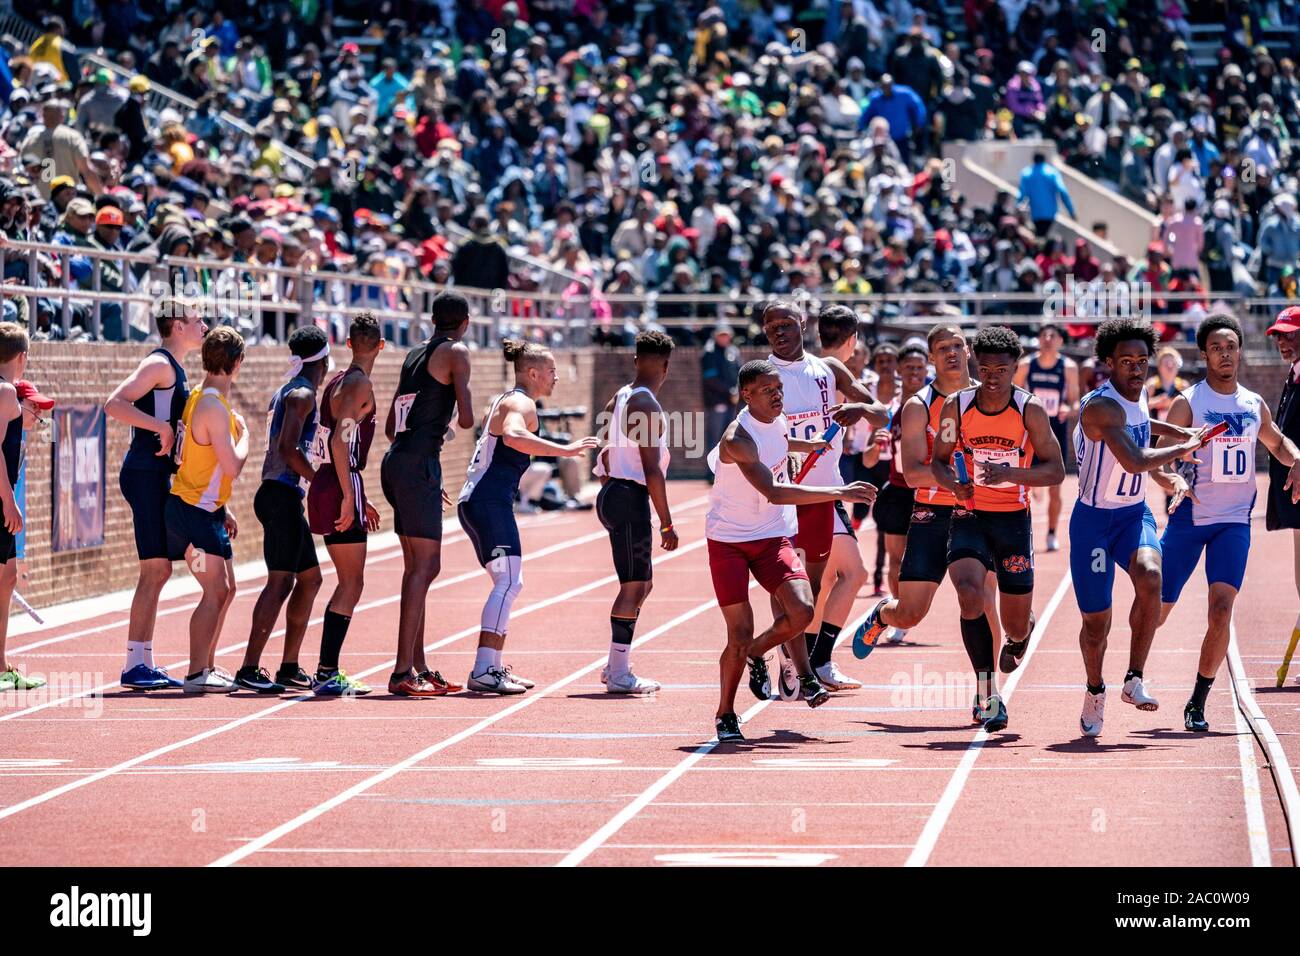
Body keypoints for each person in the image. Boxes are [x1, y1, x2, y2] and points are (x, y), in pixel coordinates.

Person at [708, 360, 877, 741]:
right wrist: (839, 491)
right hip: (729, 541)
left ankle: (756, 652)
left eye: (779, 389)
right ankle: (726, 713)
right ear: (746, 395)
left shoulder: (778, 420)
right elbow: (774, 491)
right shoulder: (737, 439)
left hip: (770, 535)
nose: (777, 395)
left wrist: (812, 444)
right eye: (767, 390)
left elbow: (782, 440)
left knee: (802, 609)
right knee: (738, 631)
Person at [1155, 314, 1300, 730]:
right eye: (1216, 348)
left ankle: (1198, 701)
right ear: (1204, 354)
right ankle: (1133, 673)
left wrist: (1298, 457)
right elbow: (1157, 457)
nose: (1225, 354)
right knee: (1158, 610)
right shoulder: (1189, 401)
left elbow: (1278, 442)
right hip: (1190, 518)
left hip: (1234, 522)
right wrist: (1174, 478)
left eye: (1231, 347)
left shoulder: (1253, 404)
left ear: (1239, 352)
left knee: (1221, 608)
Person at [927, 326, 1066, 731]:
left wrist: (1010, 473)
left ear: (1014, 369)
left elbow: (1055, 470)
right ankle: (989, 695)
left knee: (1015, 623)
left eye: (1001, 370)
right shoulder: (955, 407)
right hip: (969, 514)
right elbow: (938, 459)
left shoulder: (1030, 410)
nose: (991, 377)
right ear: (976, 366)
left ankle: (1021, 636)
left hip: (1012, 521)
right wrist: (952, 483)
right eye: (984, 369)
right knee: (969, 595)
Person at [1069, 318, 1203, 736]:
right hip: (1093, 521)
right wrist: (1187, 445)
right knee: (1097, 623)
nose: (1136, 369)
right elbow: (1136, 460)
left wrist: (1175, 428)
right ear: (1108, 362)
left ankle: (1134, 678)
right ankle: (1095, 689)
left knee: (1151, 576)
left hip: (1132, 514)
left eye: (1142, 361)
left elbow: (1142, 424)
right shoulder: (1100, 406)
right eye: (1126, 361)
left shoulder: (1138, 393)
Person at [761, 301, 888, 698]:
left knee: (819, 585)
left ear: (803, 324)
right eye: (771, 328)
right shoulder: (762, 376)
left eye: (786, 323)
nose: (780, 332)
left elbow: (882, 413)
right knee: (787, 586)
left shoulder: (829, 370)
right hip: (783, 496)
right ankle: (792, 659)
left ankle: (806, 656)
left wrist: (859, 408)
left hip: (824, 492)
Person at [854, 324, 996, 655]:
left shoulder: (991, 398)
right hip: (934, 512)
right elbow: (915, 475)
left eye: (957, 345)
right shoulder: (919, 405)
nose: (951, 352)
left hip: (980, 511)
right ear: (932, 357)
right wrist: (959, 479)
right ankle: (881, 613)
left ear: (968, 351)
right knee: (909, 613)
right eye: (943, 348)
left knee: (980, 595)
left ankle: (988, 692)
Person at [104, 297, 206, 690]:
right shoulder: (160, 363)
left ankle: (143, 660)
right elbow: (114, 403)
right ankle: (134, 663)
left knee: (160, 568)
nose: (202, 326)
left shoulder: (175, 368)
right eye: (196, 320)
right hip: (145, 473)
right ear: (177, 326)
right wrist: (157, 428)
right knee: (153, 569)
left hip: (157, 474)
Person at [381, 291, 475, 697]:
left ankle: (417, 664)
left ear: (433, 319)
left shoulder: (414, 353)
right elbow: (469, 418)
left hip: (398, 460)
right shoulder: (458, 353)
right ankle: (402, 669)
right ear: (465, 323)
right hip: (418, 463)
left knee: (415, 567)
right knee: (426, 567)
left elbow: (391, 425)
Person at [235, 325, 330, 693]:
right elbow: (289, 448)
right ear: (321, 361)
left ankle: (289, 665)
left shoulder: (290, 389)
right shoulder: (302, 394)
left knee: (310, 579)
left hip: (285, 494)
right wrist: (318, 481)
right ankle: (248, 667)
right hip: (281, 493)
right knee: (280, 582)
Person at [307, 312, 388, 695]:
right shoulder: (358, 385)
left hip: (331, 479)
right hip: (338, 483)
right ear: (382, 346)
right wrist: (348, 496)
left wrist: (359, 494)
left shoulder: (338, 381)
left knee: (348, 580)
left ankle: (326, 670)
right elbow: (341, 443)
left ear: (350, 344)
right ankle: (326, 671)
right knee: (351, 582)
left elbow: (338, 442)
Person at [166, 327, 249, 694]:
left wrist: (224, 506)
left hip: (206, 508)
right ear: (237, 364)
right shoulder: (213, 406)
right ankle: (196, 671)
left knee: (227, 589)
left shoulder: (201, 396)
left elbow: (203, 462)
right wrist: (245, 436)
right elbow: (231, 464)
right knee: (214, 591)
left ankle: (208, 666)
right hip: (192, 511)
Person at [594, 330, 676, 694]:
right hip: (628, 495)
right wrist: (667, 523)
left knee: (643, 583)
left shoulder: (620, 396)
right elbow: (652, 468)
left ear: (635, 360)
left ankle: (614, 663)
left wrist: (606, 483)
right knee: (632, 587)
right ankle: (619, 672)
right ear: (666, 366)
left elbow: (603, 444)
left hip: (616, 491)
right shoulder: (645, 404)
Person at [871, 343, 929, 640]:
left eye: (919, 368)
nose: (914, 373)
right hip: (897, 488)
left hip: (927, 491)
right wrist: (875, 443)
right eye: (909, 368)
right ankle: (900, 616)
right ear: (899, 371)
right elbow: (869, 459)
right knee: (896, 560)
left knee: (931, 559)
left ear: (926, 369)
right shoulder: (889, 409)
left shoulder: (934, 404)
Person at [0, 324, 44, 692]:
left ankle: (1, 665)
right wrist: (8, 498)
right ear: (21, 357)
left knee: (8, 576)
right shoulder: (3, 392)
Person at [1013, 322, 1078, 550]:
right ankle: (1022, 530)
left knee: (1055, 485)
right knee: (1023, 484)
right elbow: (1014, 395)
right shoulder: (1026, 365)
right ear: (1039, 339)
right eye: (1043, 335)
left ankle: (1051, 533)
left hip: (1055, 430)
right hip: (1030, 430)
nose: (1048, 338)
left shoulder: (1068, 367)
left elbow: (1075, 401)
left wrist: (1069, 410)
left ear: (1060, 340)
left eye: (1052, 335)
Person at [1263, 306, 1300, 684]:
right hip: (1294, 496)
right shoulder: (1294, 375)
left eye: (1290, 334)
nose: (1282, 342)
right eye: (1278, 335)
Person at [701, 323, 740, 478]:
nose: (724, 338)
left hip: (732, 402)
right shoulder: (709, 352)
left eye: (726, 335)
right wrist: (729, 392)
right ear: (716, 336)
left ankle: (727, 473)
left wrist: (737, 391)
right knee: (715, 437)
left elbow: (739, 373)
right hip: (716, 401)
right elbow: (710, 378)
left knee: (730, 438)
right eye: (721, 335)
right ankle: (712, 472)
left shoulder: (733, 351)